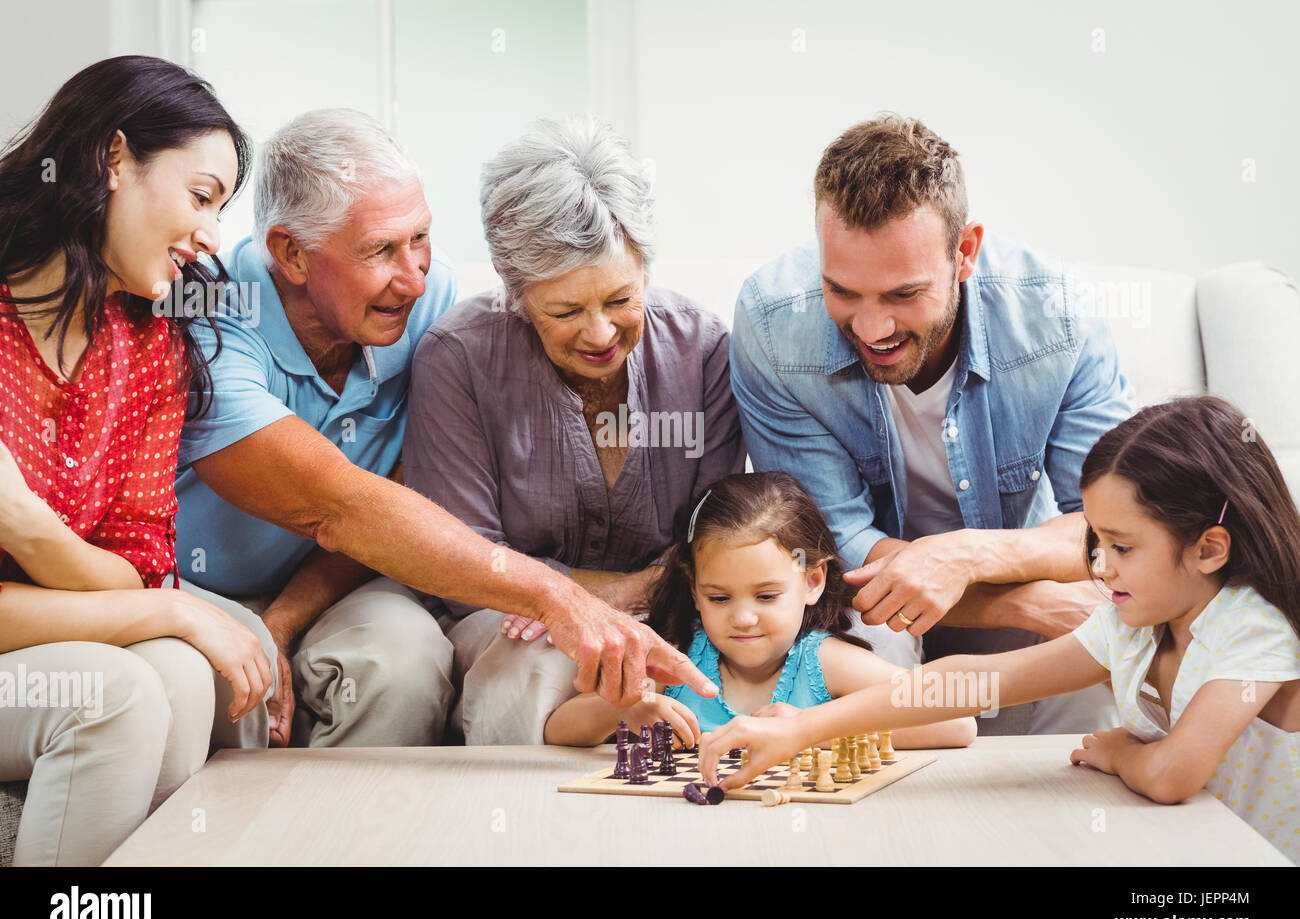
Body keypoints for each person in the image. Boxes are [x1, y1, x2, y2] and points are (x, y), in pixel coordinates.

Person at [175, 110, 715, 749]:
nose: (415, 276)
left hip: (342, 573)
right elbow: (335, 505)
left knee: (399, 665)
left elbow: (393, 496)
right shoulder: (207, 315)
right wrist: (555, 597)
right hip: (198, 580)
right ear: (292, 253)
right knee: (236, 681)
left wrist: (290, 617)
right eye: (381, 250)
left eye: (421, 237)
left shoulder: (424, 305)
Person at [699, 396, 1300, 863]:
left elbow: (1171, 777)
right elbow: (976, 682)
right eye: (1094, 541)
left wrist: (1121, 752)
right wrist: (805, 727)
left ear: (1209, 548)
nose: (1098, 566)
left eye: (1122, 546)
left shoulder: (1255, 628)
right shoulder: (1137, 624)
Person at [731, 113, 1129, 733]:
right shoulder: (771, 326)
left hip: (1021, 569)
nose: (870, 328)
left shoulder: (1057, 319)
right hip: (870, 604)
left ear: (964, 252)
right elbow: (835, 550)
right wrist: (1024, 602)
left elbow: (1116, 528)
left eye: (901, 294)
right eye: (842, 291)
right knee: (875, 642)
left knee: (1099, 655)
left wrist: (969, 555)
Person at [0, 55, 270, 865]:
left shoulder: (152, 345)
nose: (212, 237)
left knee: (187, 678)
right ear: (112, 159)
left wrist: (27, 526)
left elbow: (136, 571)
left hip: (46, 627)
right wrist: (164, 608)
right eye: (200, 197)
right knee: (112, 697)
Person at [405, 116, 746, 745]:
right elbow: (473, 565)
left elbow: (716, 536)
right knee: (536, 660)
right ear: (515, 292)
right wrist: (605, 596)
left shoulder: (702, 349)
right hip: (514, 618)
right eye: (564, 311)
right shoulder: (458, 359)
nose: (599, 334)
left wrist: (649, 597)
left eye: (620, 300)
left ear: (645, 266)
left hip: (681, 606)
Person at [544, 471, 975, 749]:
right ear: (693, 589)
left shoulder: (823, 663)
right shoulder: (676, 664)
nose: (743, 617)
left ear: (812, 581)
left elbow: (957, 722)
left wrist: (816, 730)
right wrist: (622, 709)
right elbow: (558, 730)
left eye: (766, 596)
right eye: (719, 598)